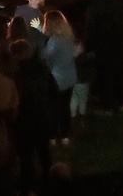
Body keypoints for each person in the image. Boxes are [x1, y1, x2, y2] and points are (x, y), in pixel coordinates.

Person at [40, 11, 79, 145]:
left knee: (53, 108)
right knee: (65, 107)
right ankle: (65, 135)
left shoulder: (54, 41)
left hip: (57, 79)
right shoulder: (68, 37)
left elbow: (45, 55)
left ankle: (51, 136)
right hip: (70, 77)